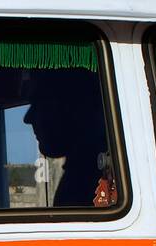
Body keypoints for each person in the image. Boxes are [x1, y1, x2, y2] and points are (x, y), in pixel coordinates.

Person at [23, 69, 113, 207]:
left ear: (73, 107)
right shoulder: (89, 175)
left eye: (40, 102)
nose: (27, 118)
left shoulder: (98, 183)